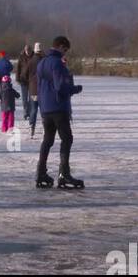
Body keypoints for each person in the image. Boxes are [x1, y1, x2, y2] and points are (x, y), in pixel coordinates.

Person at [36, 36, 84, 189]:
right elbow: (60, 87)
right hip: (58, 107)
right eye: (65, 50)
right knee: (67, 139)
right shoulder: (57, 63)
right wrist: (75, 89)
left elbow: (40, 85)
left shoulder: (42, 62)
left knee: (48, 140)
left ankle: (40, 172)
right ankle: (64, 174)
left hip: (45, 108)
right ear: (62, 47)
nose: (65, 54)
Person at [26, 43, 45, 136]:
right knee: (43, 109)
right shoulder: (44, 61)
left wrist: (29, 80)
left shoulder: (30, 61)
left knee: (33, 109)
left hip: (33, 89)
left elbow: (24, 74)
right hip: (43, 90)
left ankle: (31, 127)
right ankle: (45, 128)